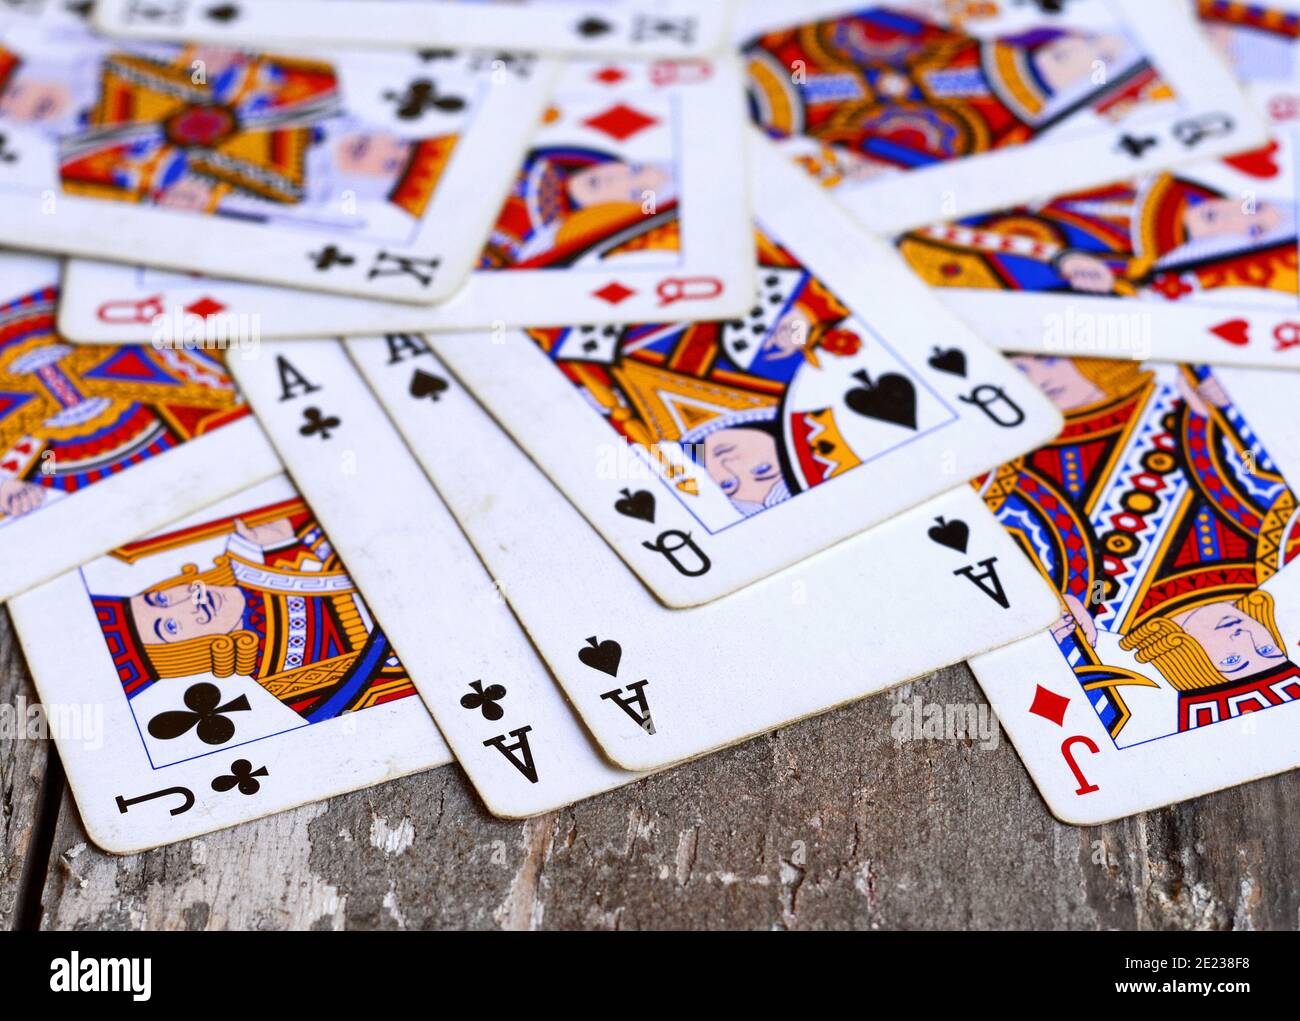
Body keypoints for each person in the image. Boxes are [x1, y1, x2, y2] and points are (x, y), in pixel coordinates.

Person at [744, 4, 1164, 182]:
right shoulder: (974, 41)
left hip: (805, 125)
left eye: (1104, 59)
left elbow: (909, 159)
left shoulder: (1012, 136)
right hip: (792, 62)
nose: (1084, 48)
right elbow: (881, 24)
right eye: (1093, 41)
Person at [92, 506, 415, 723]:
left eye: (161, 598)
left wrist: (292, 531)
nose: (189, 603)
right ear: (181, 654)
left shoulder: (252, 545)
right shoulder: (291, 683)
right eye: (171, 626)